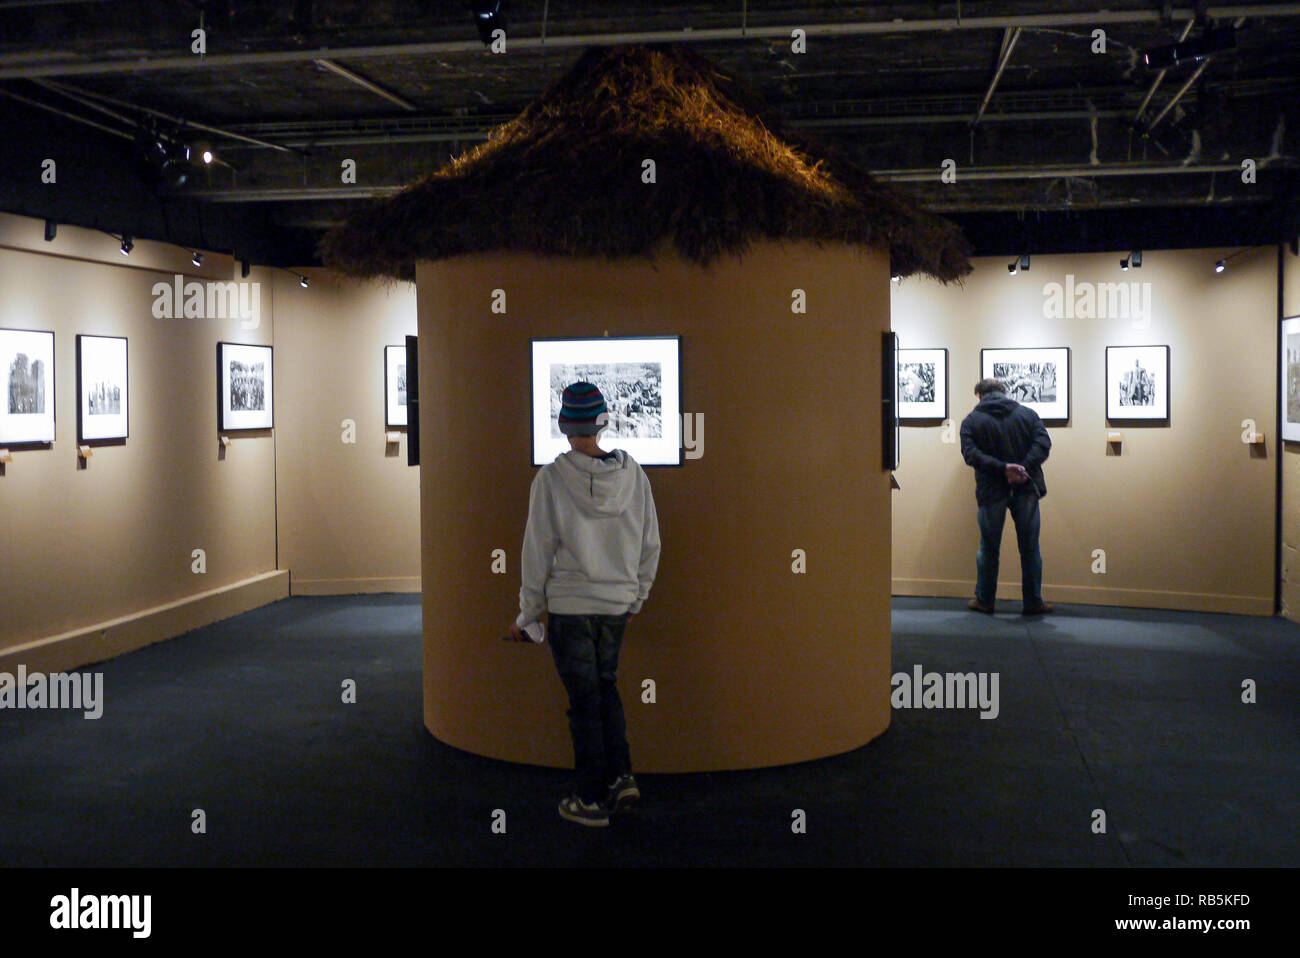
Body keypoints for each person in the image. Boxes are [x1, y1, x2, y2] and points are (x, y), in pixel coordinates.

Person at [508, 381, 661, 827]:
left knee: (584, 703)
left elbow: (535, 553)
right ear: (603, 422)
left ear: (562, 426)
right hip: (617, 606)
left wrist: (526, 612)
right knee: (606, 690)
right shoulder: (634, 476)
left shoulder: (551, 480)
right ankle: (622, 778)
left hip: (571, 609)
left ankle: (590, 800)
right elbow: (651, 543)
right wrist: (638, 594)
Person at [960, 378, 1053, 616]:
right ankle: (1033, 601)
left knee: (989, 547)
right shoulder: (1028, 415)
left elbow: (971, 455)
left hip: (991, 491)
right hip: (1025, 487)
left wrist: (1003, 469)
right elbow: (1043, 443)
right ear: (1005, 392)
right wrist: (1021, 467)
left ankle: (985, 600)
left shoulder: (971, 421)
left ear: (980, 396)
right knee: (1030, 547)